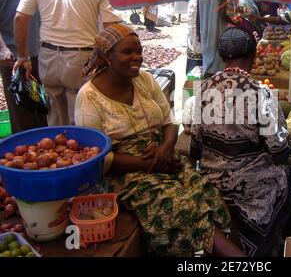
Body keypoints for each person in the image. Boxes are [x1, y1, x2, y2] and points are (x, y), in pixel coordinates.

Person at [74, 24, 245, 257]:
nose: (137, 58)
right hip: (124, 173)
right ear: (107, 56)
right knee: (178, 205)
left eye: (139, 51)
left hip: (162, 156)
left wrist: (165, 149)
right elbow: (98, 159)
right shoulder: (89, 97)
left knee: (207, 193)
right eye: (128, 52)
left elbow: (168, 122)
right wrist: (151, 163)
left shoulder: (144, 79)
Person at [190, 27, 291, 256]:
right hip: (251, 190)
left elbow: (195, 149)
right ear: (253, 56)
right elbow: (278, 151)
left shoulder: (204, 89)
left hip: (212, 182)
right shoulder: (261, 93)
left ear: (220, 56)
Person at [13, 0, 123, 126]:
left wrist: (23, 57)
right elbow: (110, 27)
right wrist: (106, 59)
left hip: (47, 56)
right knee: (82, 118)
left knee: (55, 118)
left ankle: (56, 147)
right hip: (82, 57)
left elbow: (20, 18)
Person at [0, 0, 47, 133]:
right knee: (22, 111)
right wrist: (2, 48)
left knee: (45, 107)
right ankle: (24, 148)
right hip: (13, 57)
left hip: (41, 52)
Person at [185, 0, 202, 74]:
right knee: (196, 75)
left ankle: (195, 84)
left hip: (197, 41)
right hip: (197, 43)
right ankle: (196, 85)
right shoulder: (196, 2)